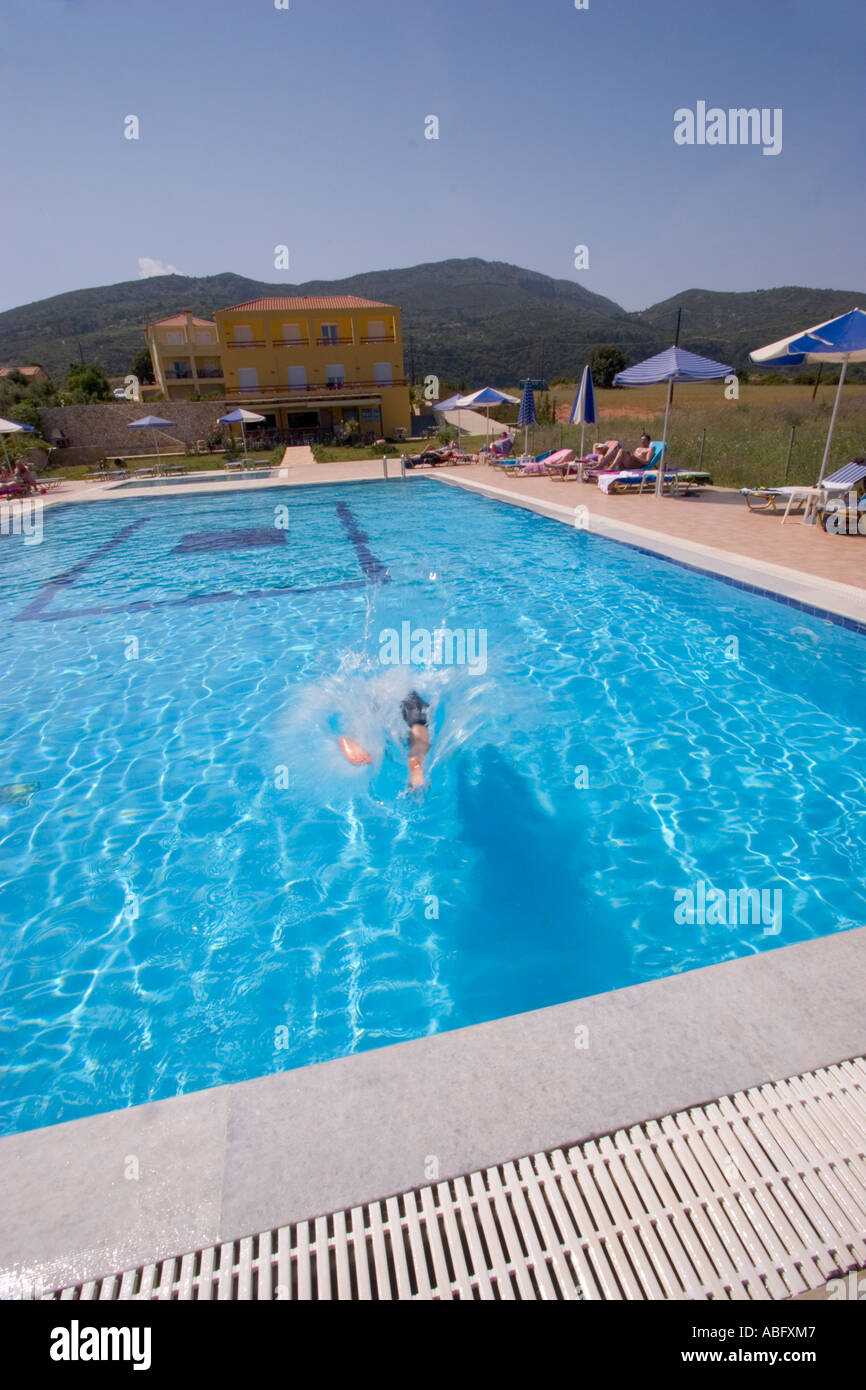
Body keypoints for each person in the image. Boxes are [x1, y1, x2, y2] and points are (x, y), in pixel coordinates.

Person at [338, 690, 431, 789]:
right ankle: (417, 758)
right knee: (419, 728)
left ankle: (353, 738)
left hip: (375, 699)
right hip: (410, 699)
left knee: (366, 718)